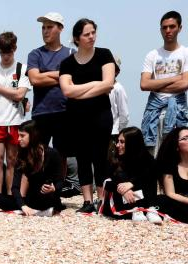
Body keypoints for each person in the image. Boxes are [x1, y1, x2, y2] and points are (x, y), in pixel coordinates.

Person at [58, 18, 117, 214]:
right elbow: (66, 91)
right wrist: (94, 85)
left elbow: (108, 84)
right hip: (76, 116)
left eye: (93, 32)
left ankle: (102, 200)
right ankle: (87, 201)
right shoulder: (67, 63)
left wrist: (79, 90)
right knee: (82, 157)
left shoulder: (104, 54)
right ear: (77, 38)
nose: (91, 37)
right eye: (86, 34)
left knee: (100, 156)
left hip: (101, 114)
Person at [139, 11, 188, 153]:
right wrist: (176, 78)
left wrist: (156, 84)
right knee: (152, 153)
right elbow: (144, 84)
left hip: (177, 109)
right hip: (153, 111)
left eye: (172, 26)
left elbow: (184, 85)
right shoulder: (152, 55)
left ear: (180, 28)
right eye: (164, 27)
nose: (168, 30)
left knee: (175, 153)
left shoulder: (187, 52)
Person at [27, 13, 74, 156]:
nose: (45, 31)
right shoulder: (35, 54)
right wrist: (61, 75)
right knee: (38, 155)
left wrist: (45, 74)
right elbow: (34, 79)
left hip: (65, 111)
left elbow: (74, 79)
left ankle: (60, 180)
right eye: (43, 27)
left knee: (62, 155)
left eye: (49, 27)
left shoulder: (71, 53)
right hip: (41, 112)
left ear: (60, 28)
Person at [0, 32, 29, 201]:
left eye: (9, 52)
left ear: (15, 49)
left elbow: (20, 95)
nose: (6, 56)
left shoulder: (22, 68)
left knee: (13, 159)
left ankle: (11, 195)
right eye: (2, 52)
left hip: (15, 120)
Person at [100, 126, 161, 221]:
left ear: (132, 144)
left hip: (139, 196)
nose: (117, 145)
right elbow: (106, 181)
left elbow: (150, 177)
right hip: (119, 200)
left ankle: (150, 208)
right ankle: (135, 209)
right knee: (119, 176)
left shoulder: (147, 159)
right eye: (118, 141)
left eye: (122, 142)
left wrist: (132, 183)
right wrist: (123, 189)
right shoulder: (114, 158)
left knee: (150, 177)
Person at [15, 120, 66, 216]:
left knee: (45, 195)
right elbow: (15, 186)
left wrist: (53, 188)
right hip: (31, 197)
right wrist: (23, 205)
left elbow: (60, 181)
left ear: (33, 136)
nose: (18, 139)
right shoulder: (22, 155)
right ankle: (38, 212)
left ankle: (41, 211)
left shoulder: (52, 154)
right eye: (18, 135)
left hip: (47, 196)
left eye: (22, 136)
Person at [109, 58, 130, 143]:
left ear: (117, 72)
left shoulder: (118, 89)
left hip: (113, 133)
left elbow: (124, 114)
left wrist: (119, 132)